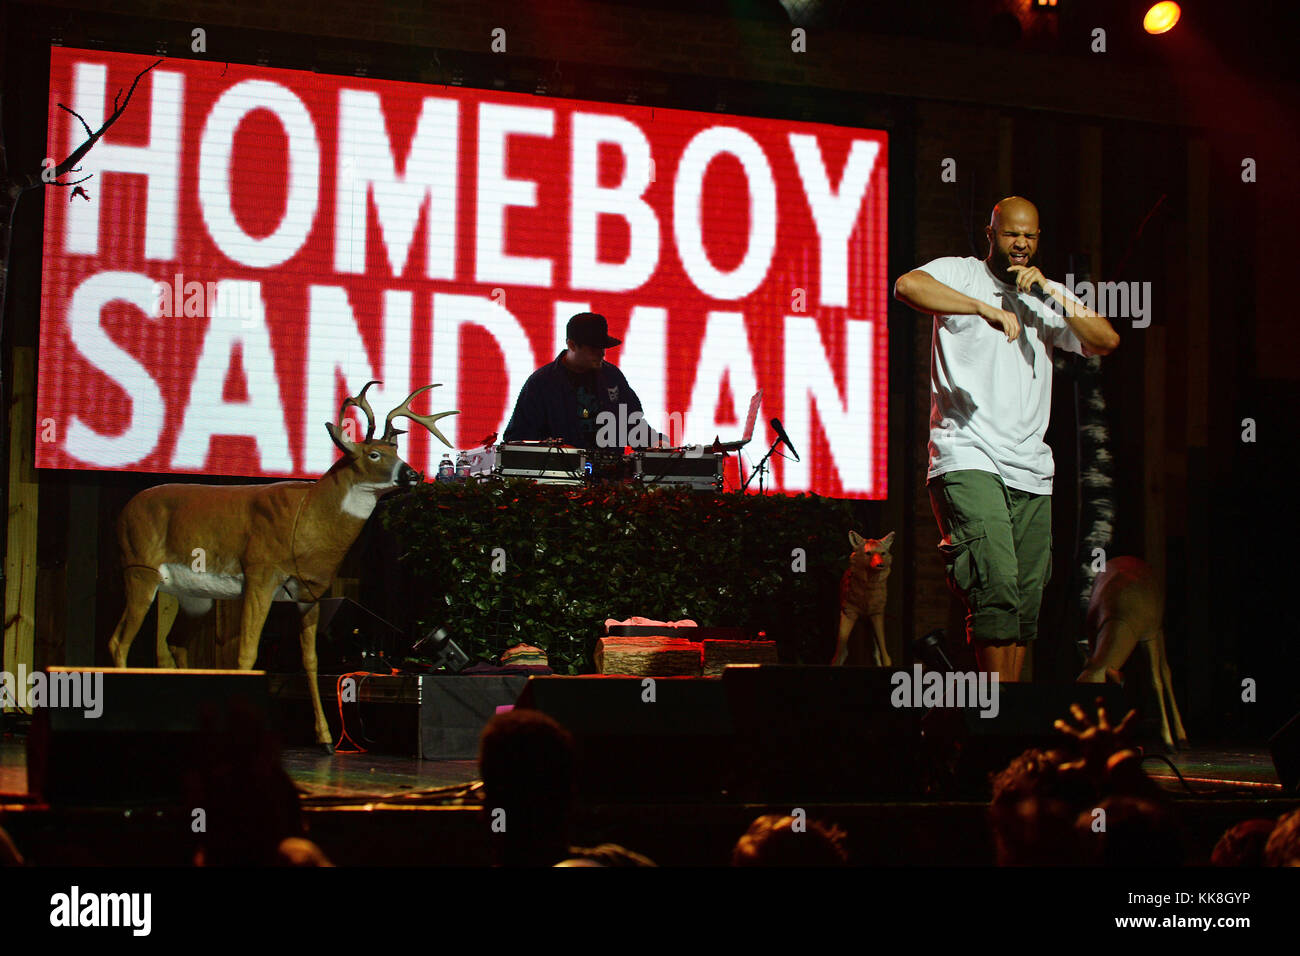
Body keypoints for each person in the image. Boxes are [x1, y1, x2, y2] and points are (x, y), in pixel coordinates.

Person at [894, 196, 1120, 682]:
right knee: (994, 585)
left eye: (1030, 236)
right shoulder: (962, 273)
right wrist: (982, 309)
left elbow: (1105, 340)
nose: (1020, 243)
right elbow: (907, 285)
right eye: (1011, 233)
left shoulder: (1046, 292)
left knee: (1023, 600)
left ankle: (1006, 720)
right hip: (967, 453)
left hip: (1031, 468)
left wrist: (1055, 296)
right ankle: (993, 725)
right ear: (991, 234)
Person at [503, 312, 659, 450]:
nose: (601, 354)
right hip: (559, 479)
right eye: (593, 349)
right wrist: (556, 449)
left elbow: (632, 423)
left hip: (609, 477)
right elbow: (517, 438)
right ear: (571, 345)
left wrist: (657, 445)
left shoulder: (612, 376)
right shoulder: (541, 383)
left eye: (603, 348)